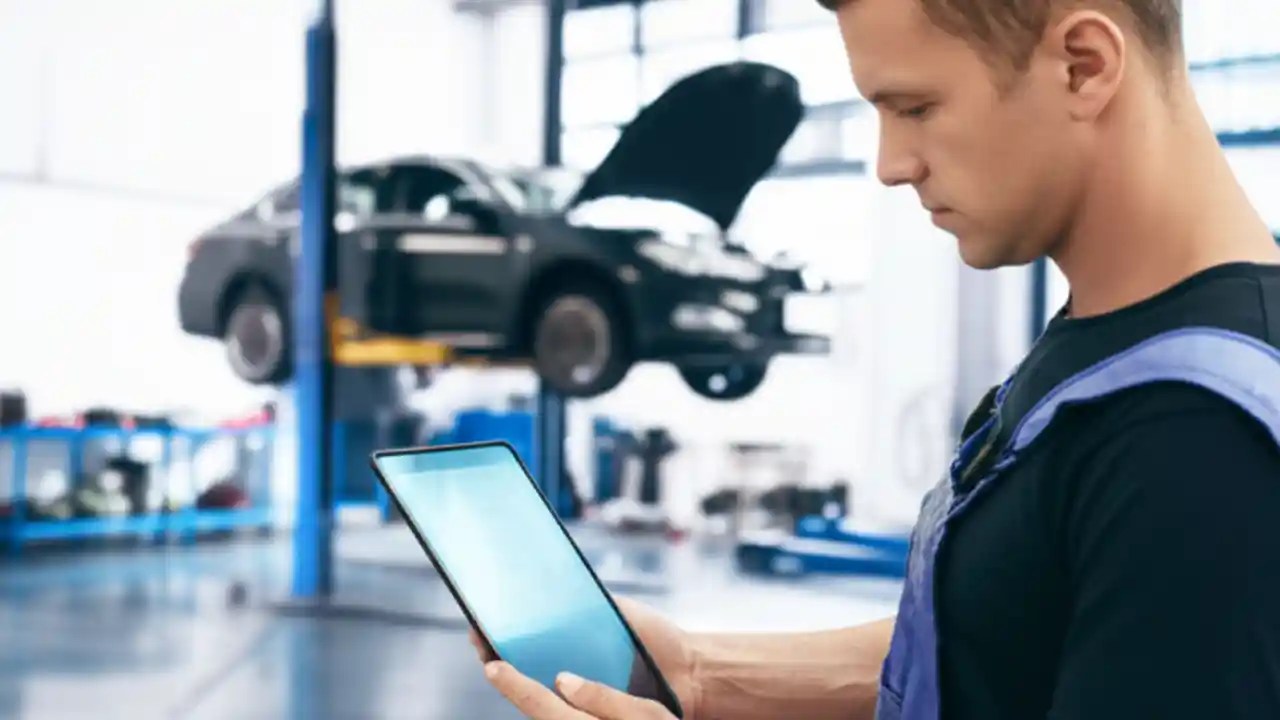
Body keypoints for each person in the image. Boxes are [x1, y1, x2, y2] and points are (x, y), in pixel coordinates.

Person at [479, 0, 1280, 717]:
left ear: (1084, 67)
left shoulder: (1195, 440)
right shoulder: (1122, 339)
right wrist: (700, 671)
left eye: (916, 108)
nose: (892, 163)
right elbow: (1004, 629)